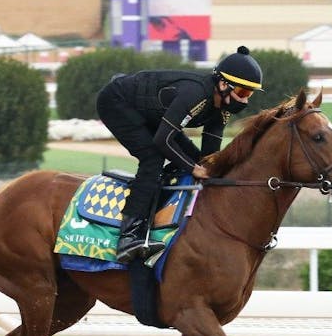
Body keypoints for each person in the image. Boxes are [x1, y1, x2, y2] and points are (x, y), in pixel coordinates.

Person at [96, 45, 264, 263]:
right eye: (242, 92)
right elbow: (162, 140)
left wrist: (219, 170)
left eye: (249, 94)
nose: (245, 100)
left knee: (195, 161)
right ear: (223, 84)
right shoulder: (196, 94)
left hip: (150, 112)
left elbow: (209, 157)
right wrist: (193, 168)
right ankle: (128, 237)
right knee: (153, 158)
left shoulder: (220, 109)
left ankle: (158, 201)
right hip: (117, 102)